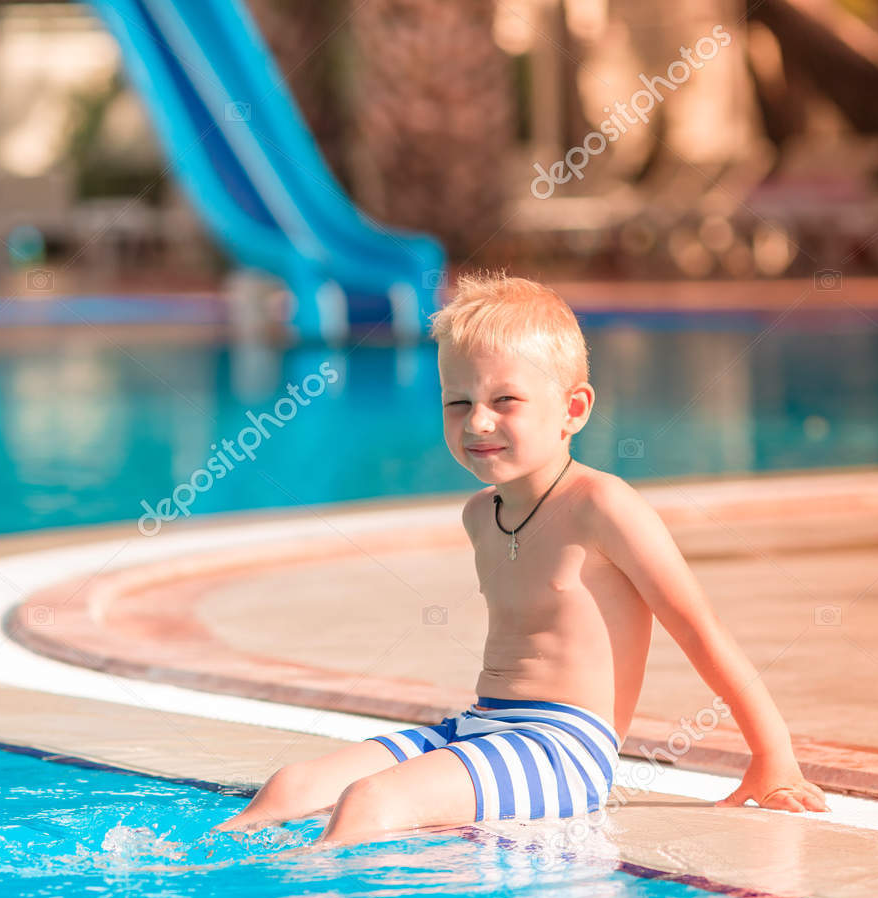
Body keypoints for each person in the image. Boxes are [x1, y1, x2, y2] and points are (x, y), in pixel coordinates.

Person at [215, 271, 830, 849]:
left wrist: (771, 755)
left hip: (566, 748)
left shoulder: (603, 506)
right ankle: (217, 874)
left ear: (573, 410)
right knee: (291, 786)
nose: (478, 421)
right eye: (457, 403)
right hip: (481, 724)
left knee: (372, 802)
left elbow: (700, 630)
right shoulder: (480, 514)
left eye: (505, 399)